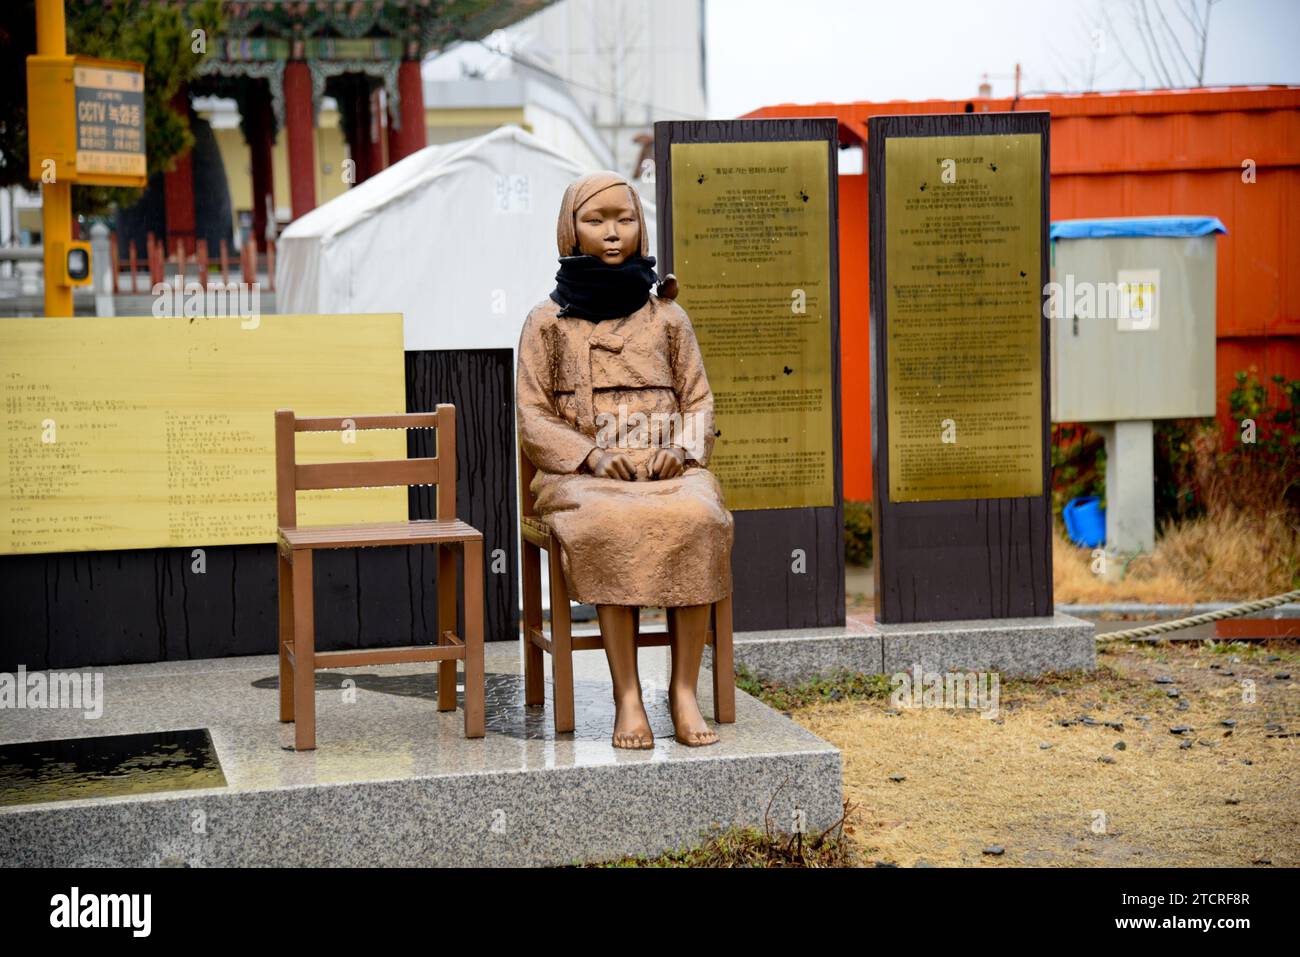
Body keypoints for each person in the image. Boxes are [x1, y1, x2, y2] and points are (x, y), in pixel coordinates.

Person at [515, 171, 735, 748]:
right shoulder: (546, 322)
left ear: (641, 227)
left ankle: (683, 689)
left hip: (669, 468)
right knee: (614, 525)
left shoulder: (668, 317)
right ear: (570, 229)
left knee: (701, 519)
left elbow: (700, 398)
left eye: (624, 219)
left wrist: (681, 449)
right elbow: (532, 415)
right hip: (584, 477)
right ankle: (627, 696)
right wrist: (588, 455)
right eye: (596, 220)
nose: (613, 233)